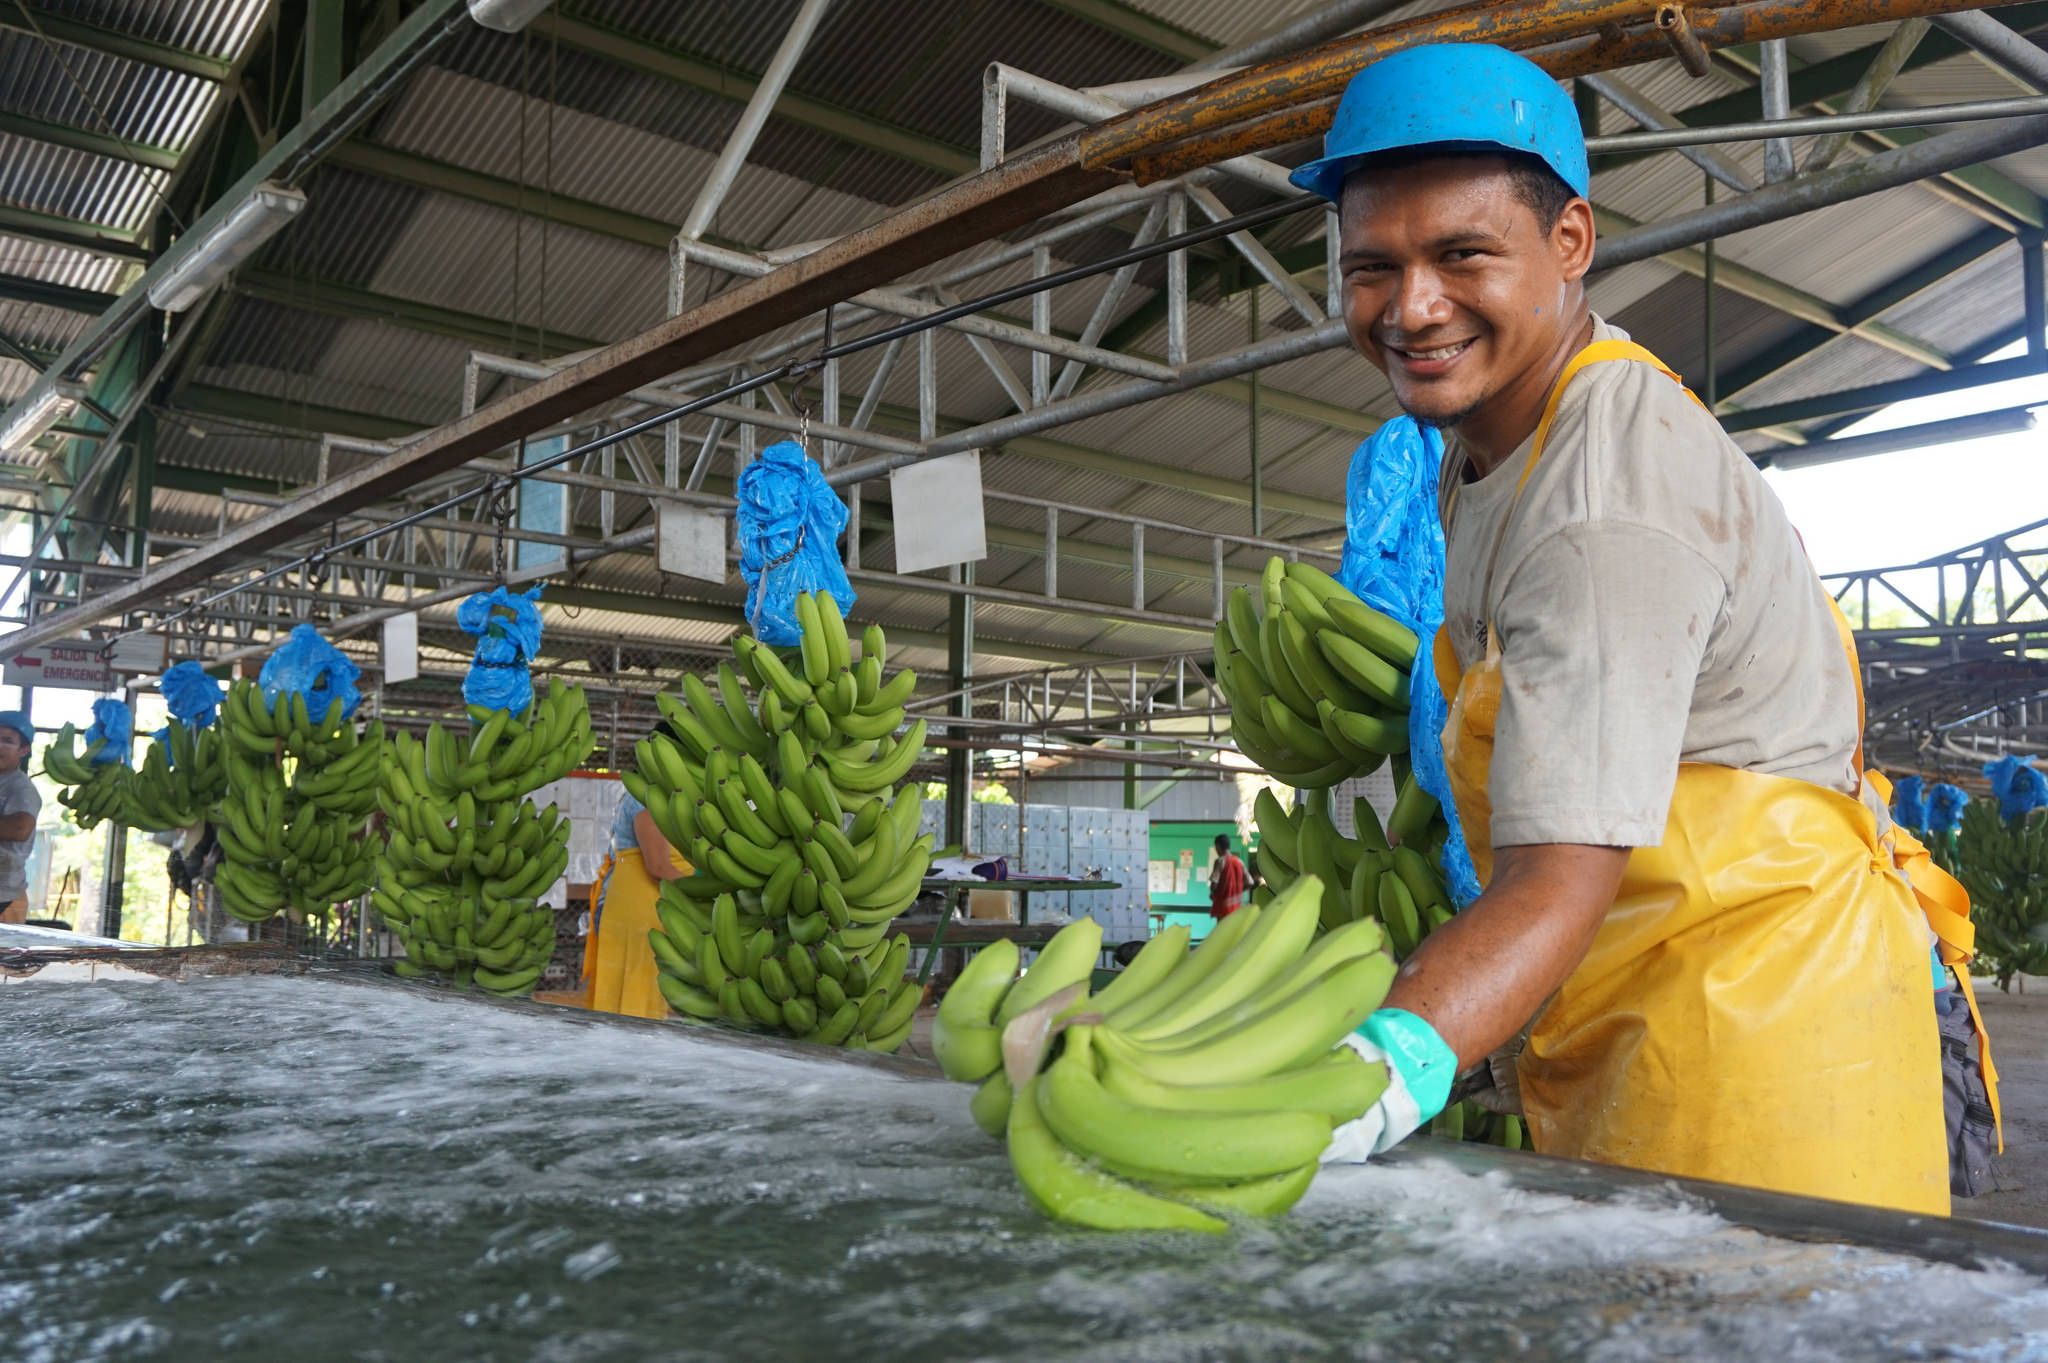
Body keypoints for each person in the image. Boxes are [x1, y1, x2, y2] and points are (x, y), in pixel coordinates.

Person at [1295, 44, 1972, 1216]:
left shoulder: (1599, 497)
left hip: (1753, 1051)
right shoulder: (1494, 446)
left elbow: (1557, 879)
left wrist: (1365, 1080)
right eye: (1371, 267)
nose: (1410, 307)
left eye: (1461, 255)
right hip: (1653, 1004)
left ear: (1569, 241)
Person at [582, 743, 690, 1018]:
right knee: (634, 992)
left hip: (647, 905)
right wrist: (703, 890)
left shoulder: (668, 797)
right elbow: (658, 865)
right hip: (638, 908)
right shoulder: (645, 799)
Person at [0, 711, 39, 924]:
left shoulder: (21, 788)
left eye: (7, 741)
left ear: (23, 750)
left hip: (4, 898)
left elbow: (20, 828)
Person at [1208, 833, 1247, 919]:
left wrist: (1213, 894)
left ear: (1218, 846)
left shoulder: (1220, 861)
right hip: (1236, 908)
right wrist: (1237, 891)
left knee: (1222, 927)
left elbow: (1214, 885)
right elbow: (1250, 882)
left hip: (1223, 909)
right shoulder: (1239, 862)